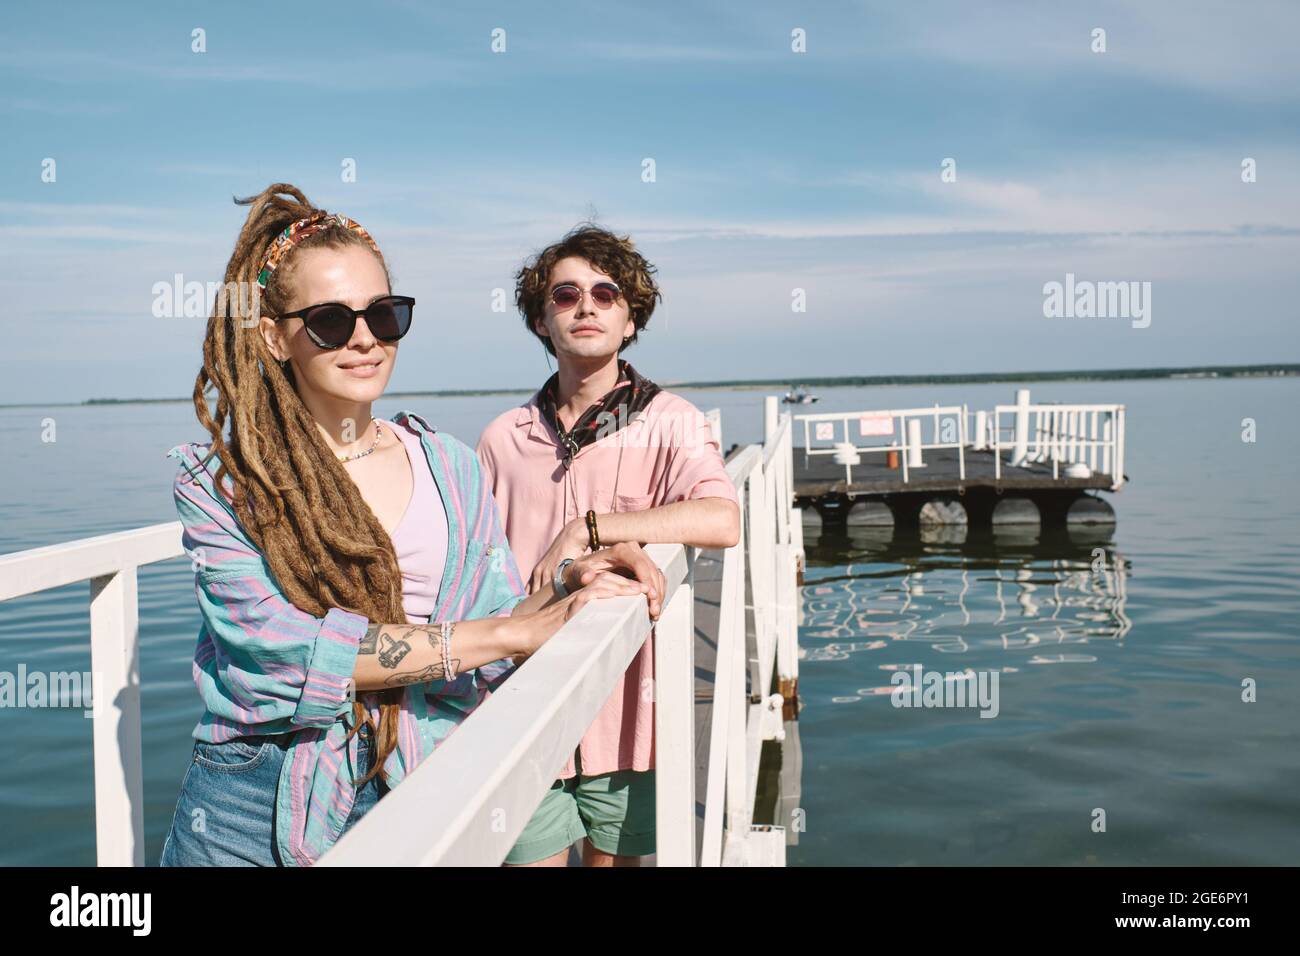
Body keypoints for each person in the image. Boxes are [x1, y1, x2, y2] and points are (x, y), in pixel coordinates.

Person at [159, 186, 661, 867]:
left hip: (423, 777)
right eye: (331, 321)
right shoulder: (226, 482)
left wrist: (572, 581)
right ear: (274, 336)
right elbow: (276, 652)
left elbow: (494, 616)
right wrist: (505, 633)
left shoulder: (448, 467)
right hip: (258, 802)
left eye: (384, 315)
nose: (364, 339)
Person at [476, 225, 741, 866]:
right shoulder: (503, 437)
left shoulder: (668, 419)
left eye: (605, 292)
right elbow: (477, 569)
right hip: (523, 699)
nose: (586, 305)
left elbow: (722, 518)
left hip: (627, 712)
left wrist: (596, 527)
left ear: (629, 319)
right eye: (565, 295)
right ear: (542, 321)